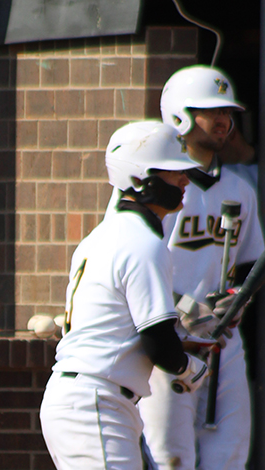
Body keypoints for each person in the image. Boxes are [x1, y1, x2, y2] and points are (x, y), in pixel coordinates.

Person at [41, 120, 214, 469]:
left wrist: (188, 339)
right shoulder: (142, 243)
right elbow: (158, 344)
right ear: (139, 177)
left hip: (92, 399)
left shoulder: (105, 234)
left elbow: (131, 329)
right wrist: (189, 367)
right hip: (96, 402)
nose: (184, 180)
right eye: (172, 172)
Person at [131, 65, 264, 470]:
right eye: (212, 112)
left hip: (224, 346)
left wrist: (235, 302)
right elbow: (138, 267)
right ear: (181, 115)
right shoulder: (161, 190)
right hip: (170, 341)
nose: (224, 122)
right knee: (171, 459)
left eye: (227, 112)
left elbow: (247, 264)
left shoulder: (240, 190)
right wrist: (187, 309)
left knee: (229, 457)